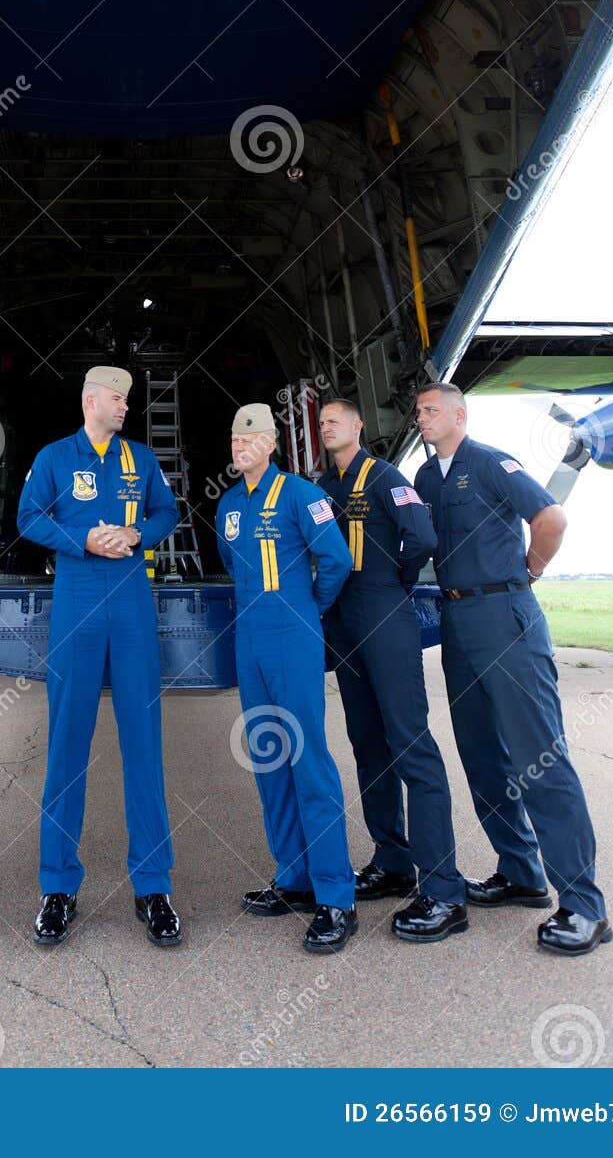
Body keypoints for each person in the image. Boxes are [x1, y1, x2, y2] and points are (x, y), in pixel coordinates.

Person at [414, 382, 612, 956]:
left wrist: (530, 569)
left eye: (431, 410)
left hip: (505, 616)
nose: (422, 418)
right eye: (419, 412)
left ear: (459, 414)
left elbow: (551, 517)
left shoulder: (493, 462)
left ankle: (584, 906)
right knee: (482, 756)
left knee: (539, 757)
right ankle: (521, 873)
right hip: (455, 619)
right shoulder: (428, 480)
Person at [17, 366, 181, 948]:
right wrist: (81, 540)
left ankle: (153, 886)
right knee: (66, 746)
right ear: (91, 401)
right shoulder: (56, 457)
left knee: (144, 746)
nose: (126, 407)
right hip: (78, 603)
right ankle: (57, 886)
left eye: (129, 400)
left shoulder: (141, 457)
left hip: (133, 606)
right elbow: (28, 517)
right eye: (118, 398)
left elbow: (168, 512)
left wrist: (138, 535)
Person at [318, 398, 467, 942]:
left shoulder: (385, 476)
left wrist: (398, 580)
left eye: (334, 419)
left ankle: (444, 890)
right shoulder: (324, 488)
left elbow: (423, 537)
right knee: (367, 743)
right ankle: (392, 860)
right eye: (322, 422)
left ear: (359, 426)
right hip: (343, 618)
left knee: (409, 743)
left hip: (383, 610)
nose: (326, 426)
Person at [216, 405, 358, 955]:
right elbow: (233, 563)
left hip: (293, 629)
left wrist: (307, 612)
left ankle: (335, 896)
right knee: (270, 755)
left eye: (250, 437)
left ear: (271, 443)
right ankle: (293, 876)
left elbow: (337, 560)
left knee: (309, 759)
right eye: (234, 438)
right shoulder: (229, 504)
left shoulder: (302, 494)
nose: (240, 446)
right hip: (248, 633)